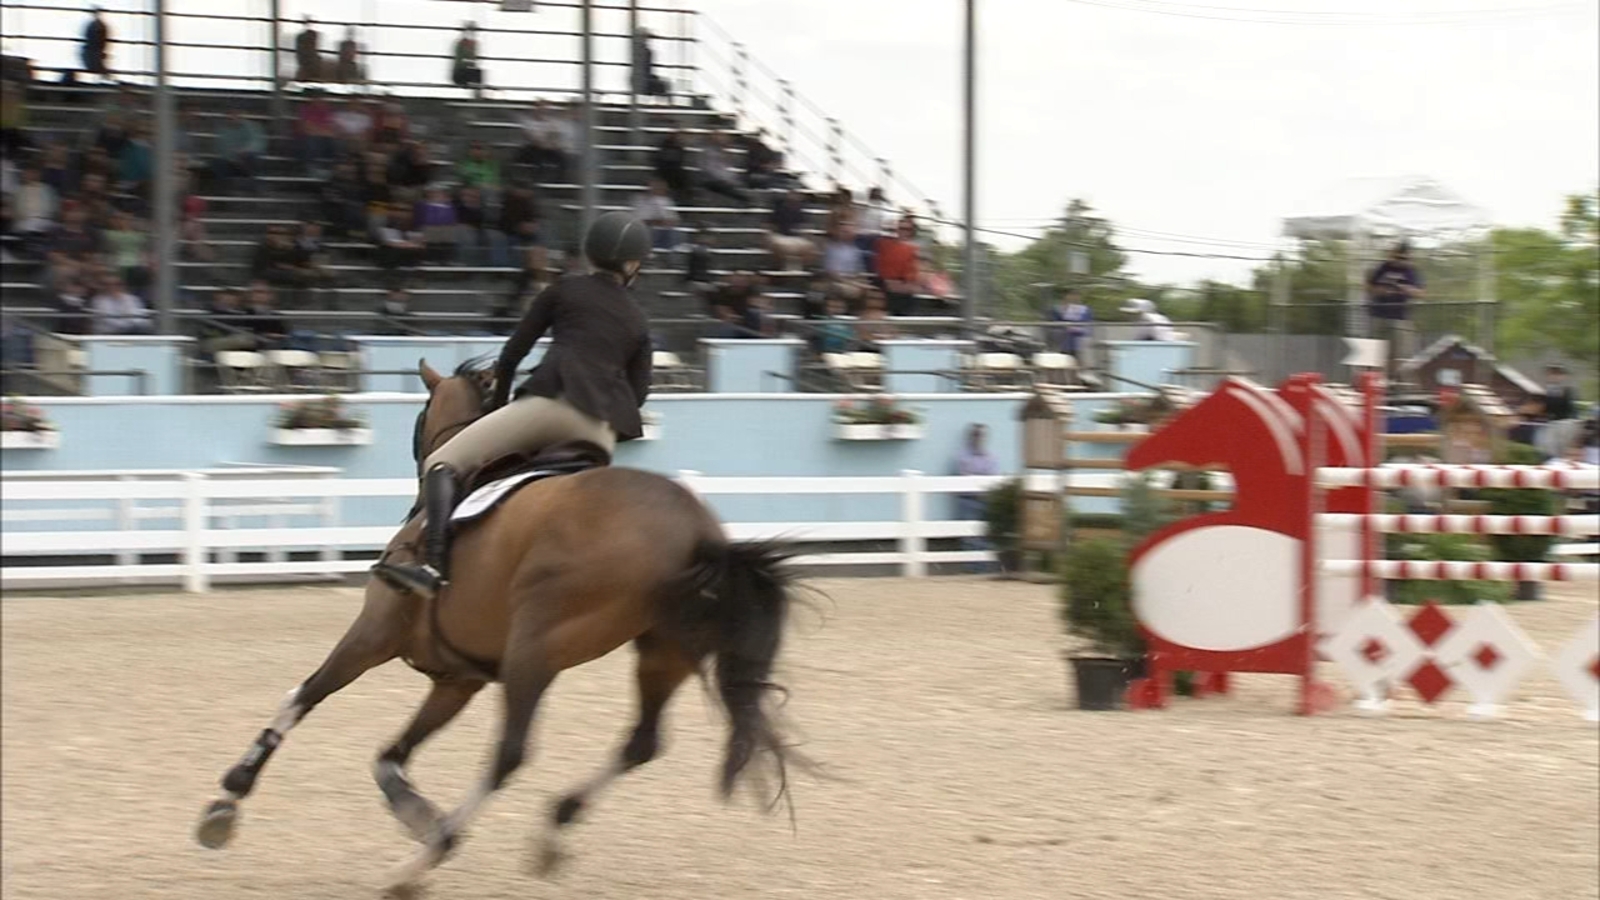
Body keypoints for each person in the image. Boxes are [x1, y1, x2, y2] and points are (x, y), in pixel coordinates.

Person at [376, 212, 656, 600]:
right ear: (633, 264)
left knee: (440, 462)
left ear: (592, 253)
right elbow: (639, 394)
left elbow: (511, 356)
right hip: (598, 436)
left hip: (549, 407)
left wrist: (501, 404)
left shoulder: (565, 289)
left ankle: (432, 566)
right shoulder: (639, 320)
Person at [1366, 240, 1424, 379]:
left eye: (1404, 258)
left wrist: (1405, 289)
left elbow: (1421, 293)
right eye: (1397, 257)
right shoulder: (1382, 268)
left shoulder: (1411, 271)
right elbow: (1369, 287)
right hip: (1379, 315)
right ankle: (1372, 377)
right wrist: (1381, 290)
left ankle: (1393, 380)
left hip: (1400, 317)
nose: (1400, 261)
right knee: (1375, 350)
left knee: (1397, 352)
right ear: (1392, 254)